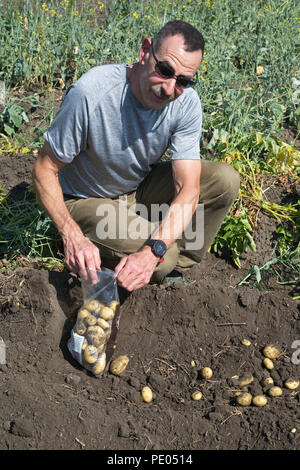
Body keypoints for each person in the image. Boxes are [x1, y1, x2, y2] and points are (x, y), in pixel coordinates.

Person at [32, 20, 240, 292]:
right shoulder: (92, 93)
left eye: (184, 81)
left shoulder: (185, 102)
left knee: (224, 180)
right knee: (164, 257)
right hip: (84, 200)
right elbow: (43, 169)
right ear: (145, 51)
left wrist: (153, 250)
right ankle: (129, 252)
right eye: (165, 70)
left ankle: (171, 266)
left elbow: (188, 188)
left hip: (135, 191)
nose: (169, 88)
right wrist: (71, 234)